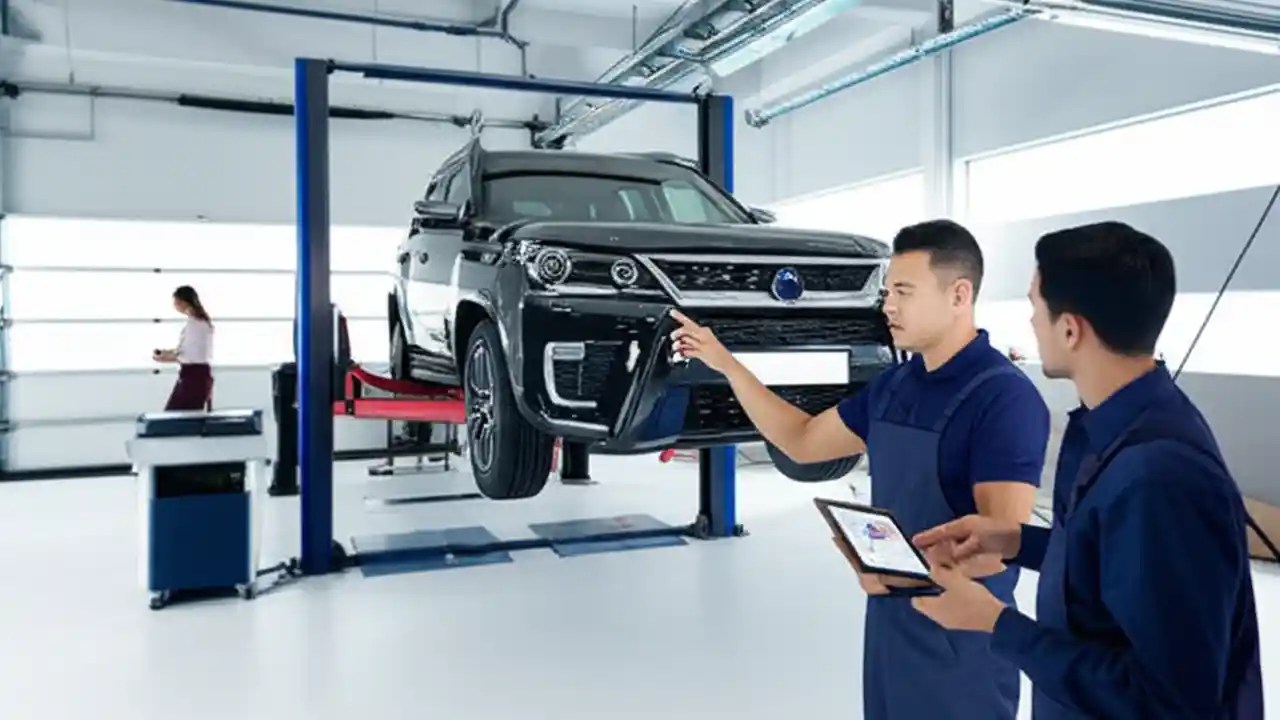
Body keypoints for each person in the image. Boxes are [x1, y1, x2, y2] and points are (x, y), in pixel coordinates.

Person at [670, 219, 1051, 720]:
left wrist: (902, 572)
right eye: (888, 292)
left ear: (959, 295)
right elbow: (802, 440)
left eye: (904, 292)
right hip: (890, 630)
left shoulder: (1004, 399)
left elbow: (998, 549)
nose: (888, 306)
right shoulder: (895, 386)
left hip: (962, 645)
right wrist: (727, 364)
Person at [911, 221, 1264, 719]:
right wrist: (1016, 541)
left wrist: (998, 623)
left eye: (1035, 306)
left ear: (1070, 329)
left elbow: (1169, 701)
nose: (1031, 322)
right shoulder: (1116, 426)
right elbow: (1117, 565)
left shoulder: (1157, 475)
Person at [153, 285, 215, 411]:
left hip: (193, 378)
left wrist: (167, 359)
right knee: (181, 415)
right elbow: (189, 349)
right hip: (195, 376)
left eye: (175, 301)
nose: (174, 305)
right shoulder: (199, 322)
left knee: (175, 415)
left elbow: (191, 356)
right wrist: (169, 353)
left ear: (183, 302)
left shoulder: (195, 324)